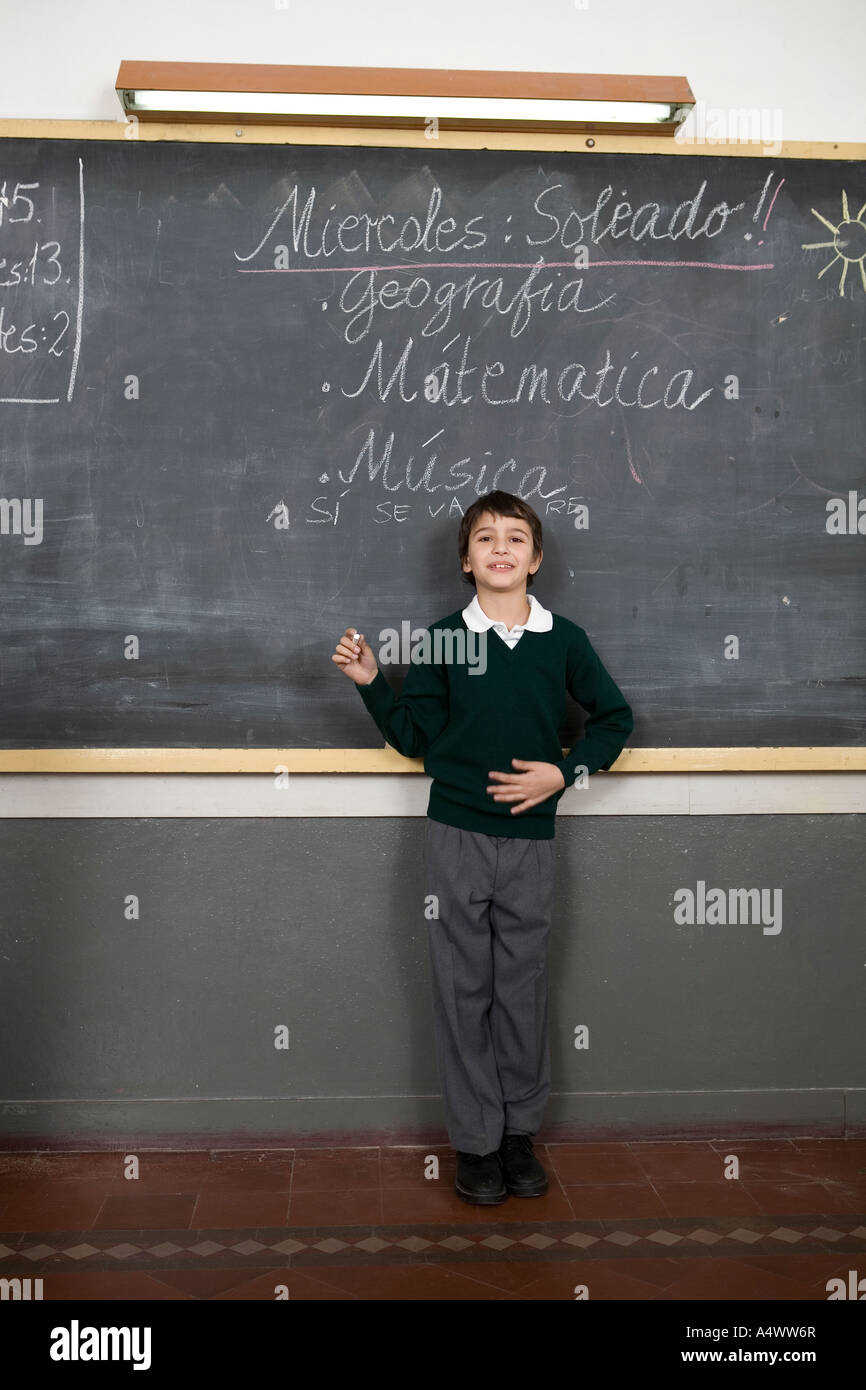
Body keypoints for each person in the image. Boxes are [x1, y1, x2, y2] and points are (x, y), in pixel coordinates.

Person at [332, 490, 633, 1204]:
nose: (502, 547)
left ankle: (518, 1134)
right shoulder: (443, 641)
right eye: (486, 538)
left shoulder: (565, 641)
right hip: (456, 839)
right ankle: (474, 1143)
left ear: (535, 558)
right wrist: (374, 685)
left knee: (521, 991)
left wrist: (567, 770)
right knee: (462, 991)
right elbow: (416, 740)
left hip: (530, 842)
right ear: (467, 560)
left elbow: (615, 721)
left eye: (517, 538)